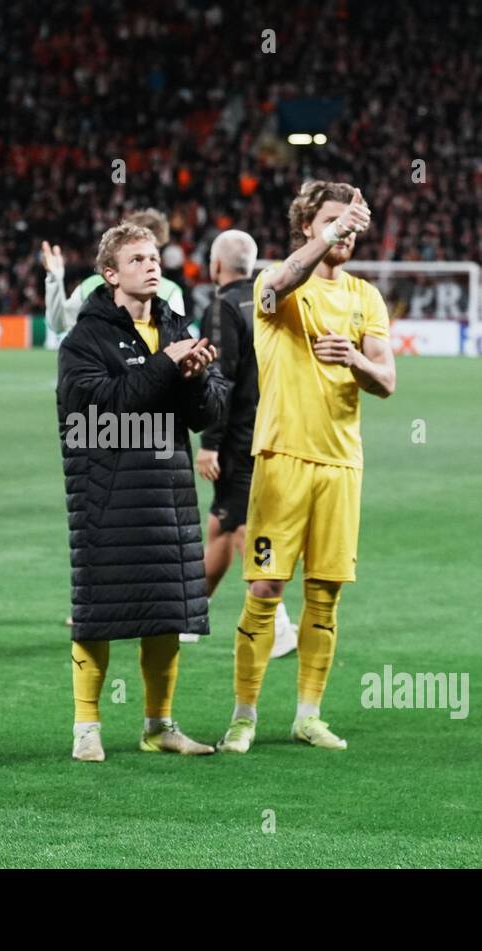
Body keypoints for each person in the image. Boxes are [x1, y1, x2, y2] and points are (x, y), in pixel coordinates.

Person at [216, 181, 396, 754]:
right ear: (307, 226)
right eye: (331, 220)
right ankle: (244, 714)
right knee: (266, 585)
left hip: (342, 462)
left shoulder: (367, 298)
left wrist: (357, 359)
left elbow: (388, 382)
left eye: (351, 221)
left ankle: (308, 715)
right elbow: (289, 278)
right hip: (282, 456)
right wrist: (331, 235)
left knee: (325, 593)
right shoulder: (276, 283)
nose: (345, 230)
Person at [58, 222, 227, 762]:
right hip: (106, 491)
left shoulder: (177, 327)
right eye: (136, 259)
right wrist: (166, 365)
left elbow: (208, 415)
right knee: (98, 610)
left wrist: (198, 378)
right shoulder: (85, 339)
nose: (151, 265)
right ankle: (87, 727)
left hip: (169, 493)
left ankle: (160, 726)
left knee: (166, 610)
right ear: (110, 274)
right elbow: (95, 410)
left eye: (154, 257)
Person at [189, 228, 297, 656]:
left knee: (240, 528)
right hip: (274, 428)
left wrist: (210, 443)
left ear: (216, 266)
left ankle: (280, 624)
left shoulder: (223, 307)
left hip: (239, 438)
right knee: (221, 522)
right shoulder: (268, 300)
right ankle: (191, 613)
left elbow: (221, 377)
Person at [42, 208, 186, 336]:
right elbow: (59, 325)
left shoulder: (170, 291)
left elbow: (174, 342)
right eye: (137, 257)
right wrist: (54, 279)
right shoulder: (91, 286)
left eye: (152, 256)